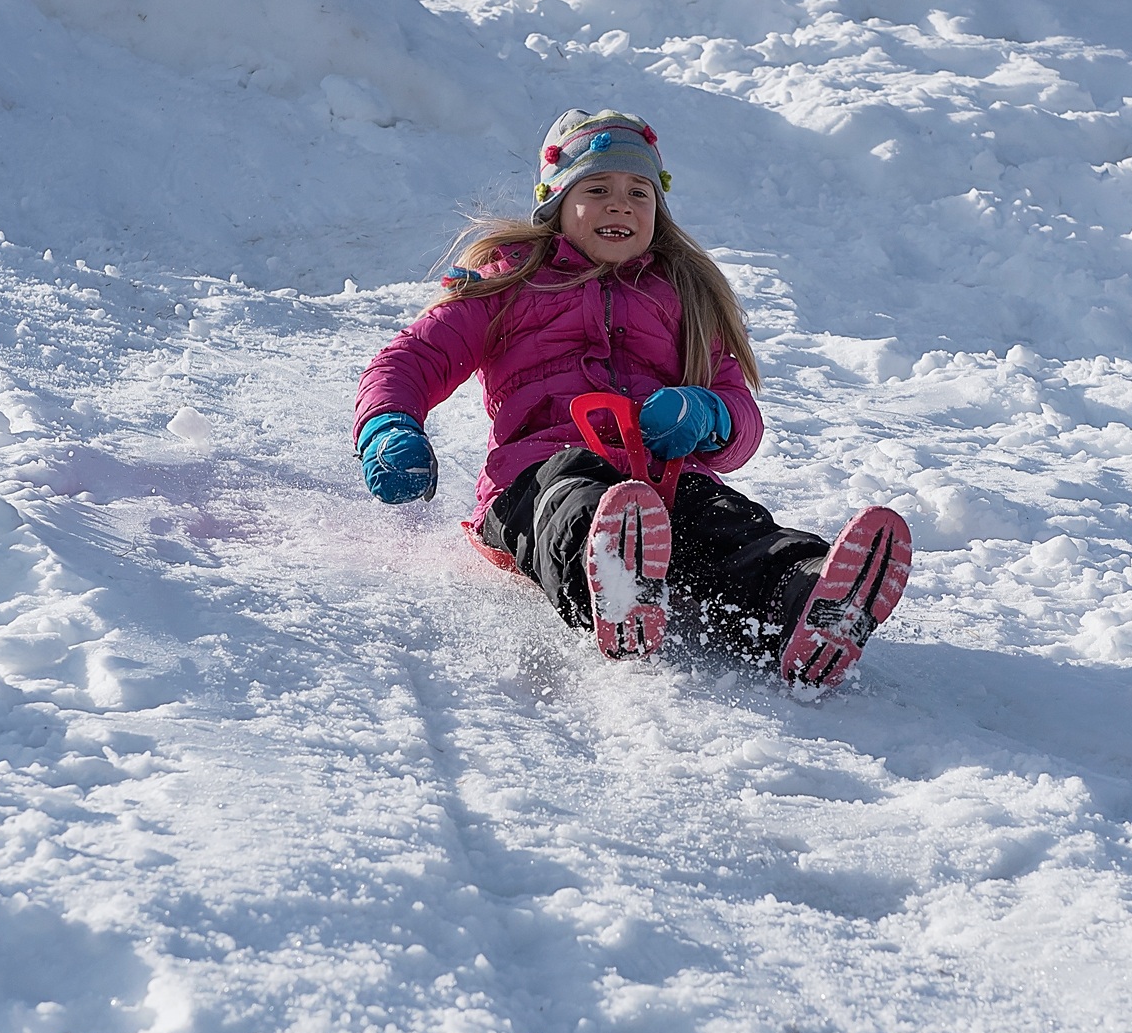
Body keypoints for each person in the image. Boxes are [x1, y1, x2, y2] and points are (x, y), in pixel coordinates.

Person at [352, 108, 911, 688]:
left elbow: (738, 407)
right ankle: (611, 586)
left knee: (723, 523)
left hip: (660, 479)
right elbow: (414, 357)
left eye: (638, 192)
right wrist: (389, 425)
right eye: (597, 189)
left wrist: (707, 415)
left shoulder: (681, 294)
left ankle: (806, 596)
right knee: (569, 500)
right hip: (537, 475)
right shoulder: (509, 280)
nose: (620, 204)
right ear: (556, 202)